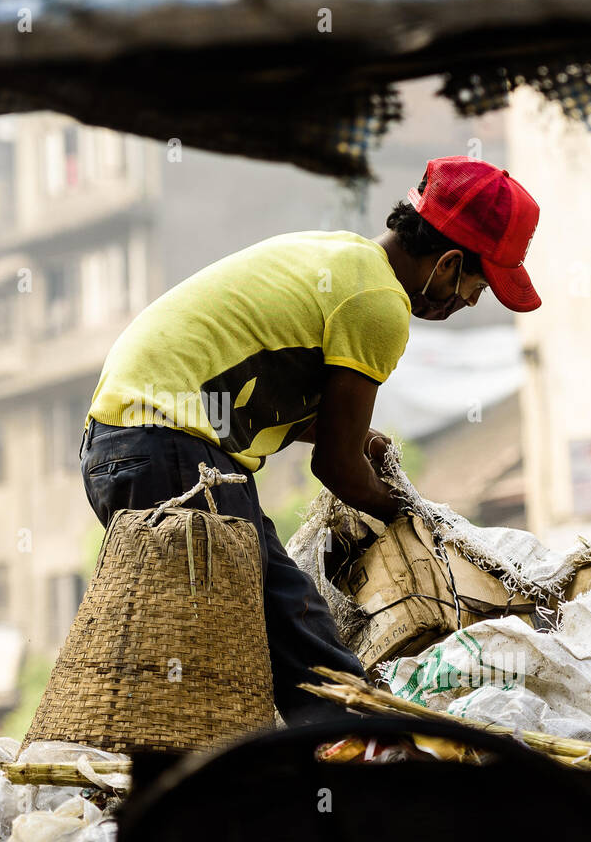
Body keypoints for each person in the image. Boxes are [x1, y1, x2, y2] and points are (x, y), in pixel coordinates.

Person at [79, 155, 542, 724]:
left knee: (214, 648)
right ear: (447, 263)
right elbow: (339, 469)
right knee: (295, 628)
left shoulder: (340, 259)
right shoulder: (379, 305)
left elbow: (264, 399)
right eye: (477, 284)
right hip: (171, 447)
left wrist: (355, 438)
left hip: (120, 449)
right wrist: (412, 519)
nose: (471, 300)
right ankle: (357, 756)